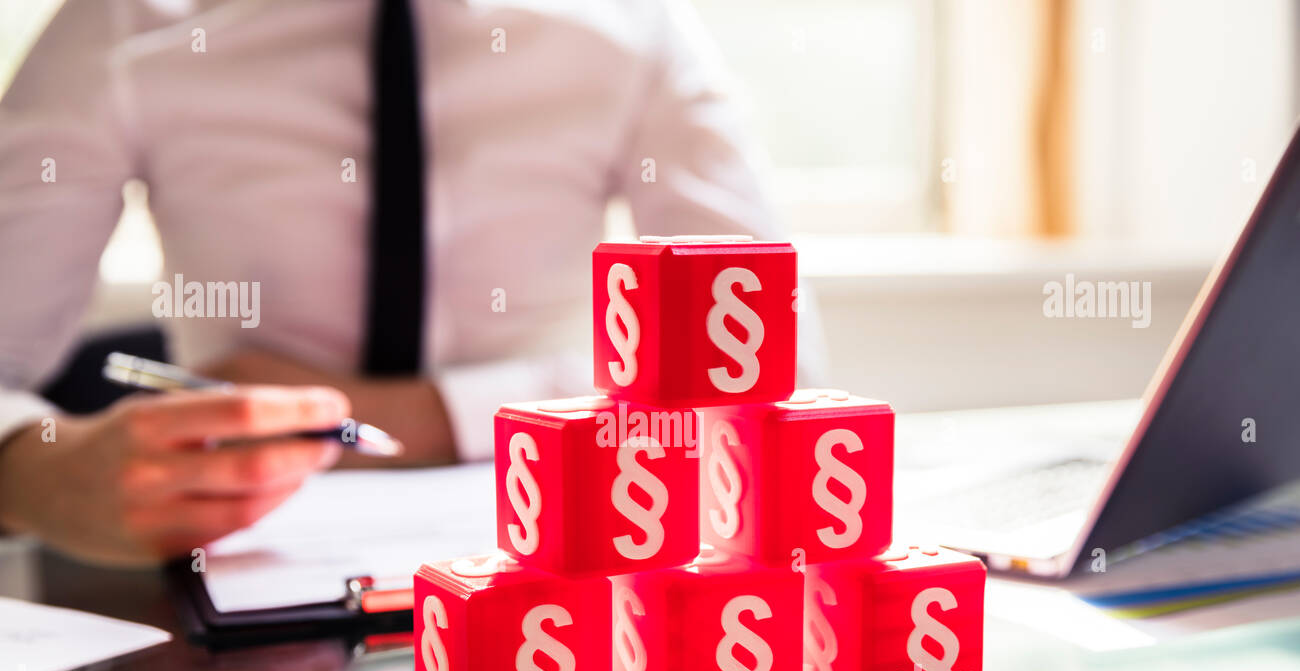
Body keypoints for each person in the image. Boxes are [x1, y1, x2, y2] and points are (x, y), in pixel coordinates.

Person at [0, 0, 825, 566]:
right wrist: (27, 471)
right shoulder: (123, 26)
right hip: (241, 598)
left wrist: (430, 418)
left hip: (558, 586)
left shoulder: (636, 27)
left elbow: (776, 387)